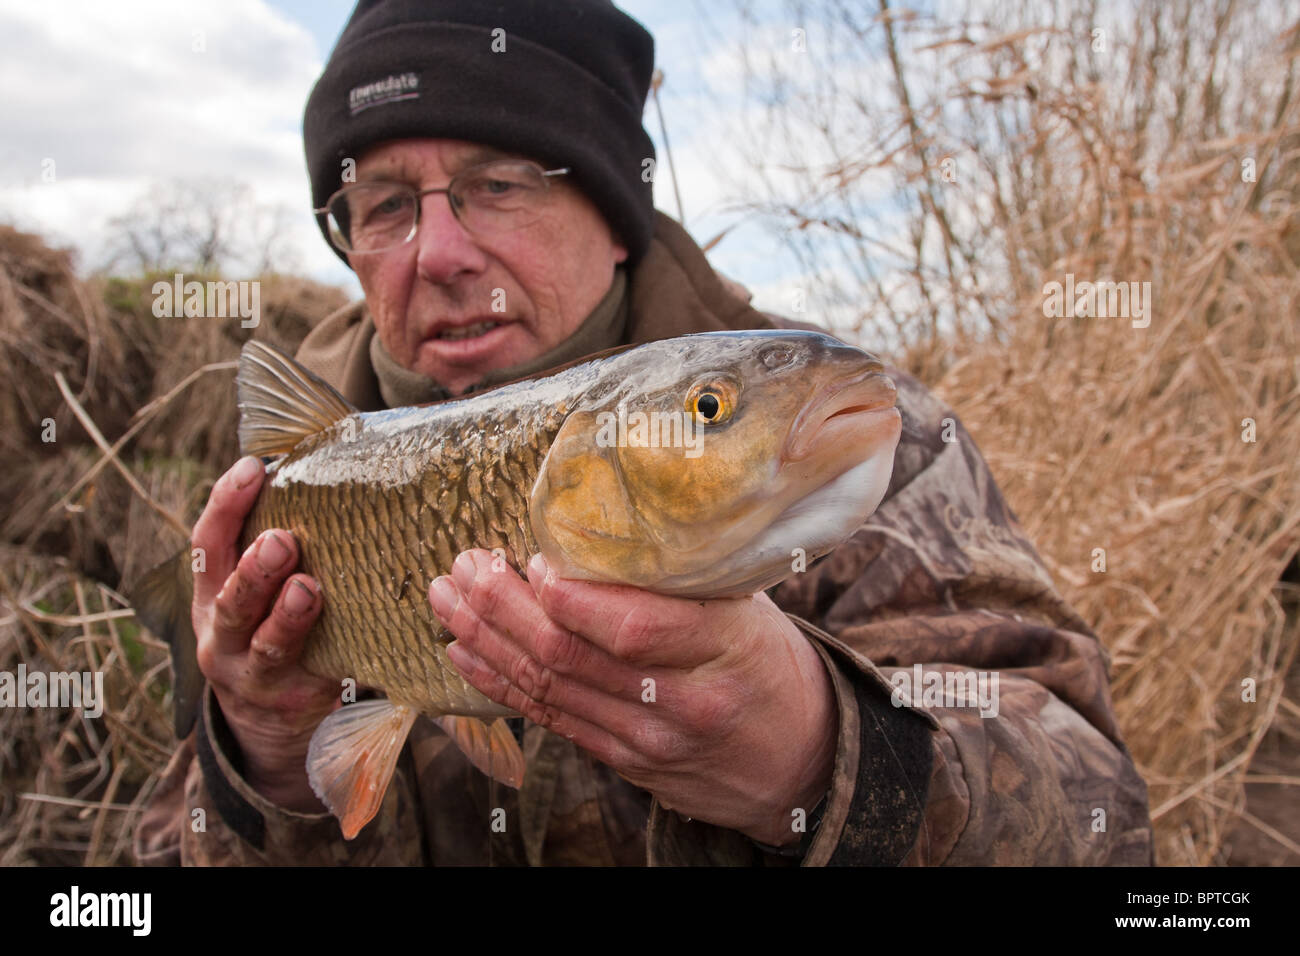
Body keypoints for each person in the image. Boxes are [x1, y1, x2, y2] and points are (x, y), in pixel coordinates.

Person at [135, 0, 1153, 866]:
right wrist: (260, 751)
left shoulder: (846, 436)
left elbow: (1108, 820)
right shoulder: (272, 493)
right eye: (384, 202)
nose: (437, 250)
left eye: (499, 182)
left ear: (617, 212)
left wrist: (818, 755)